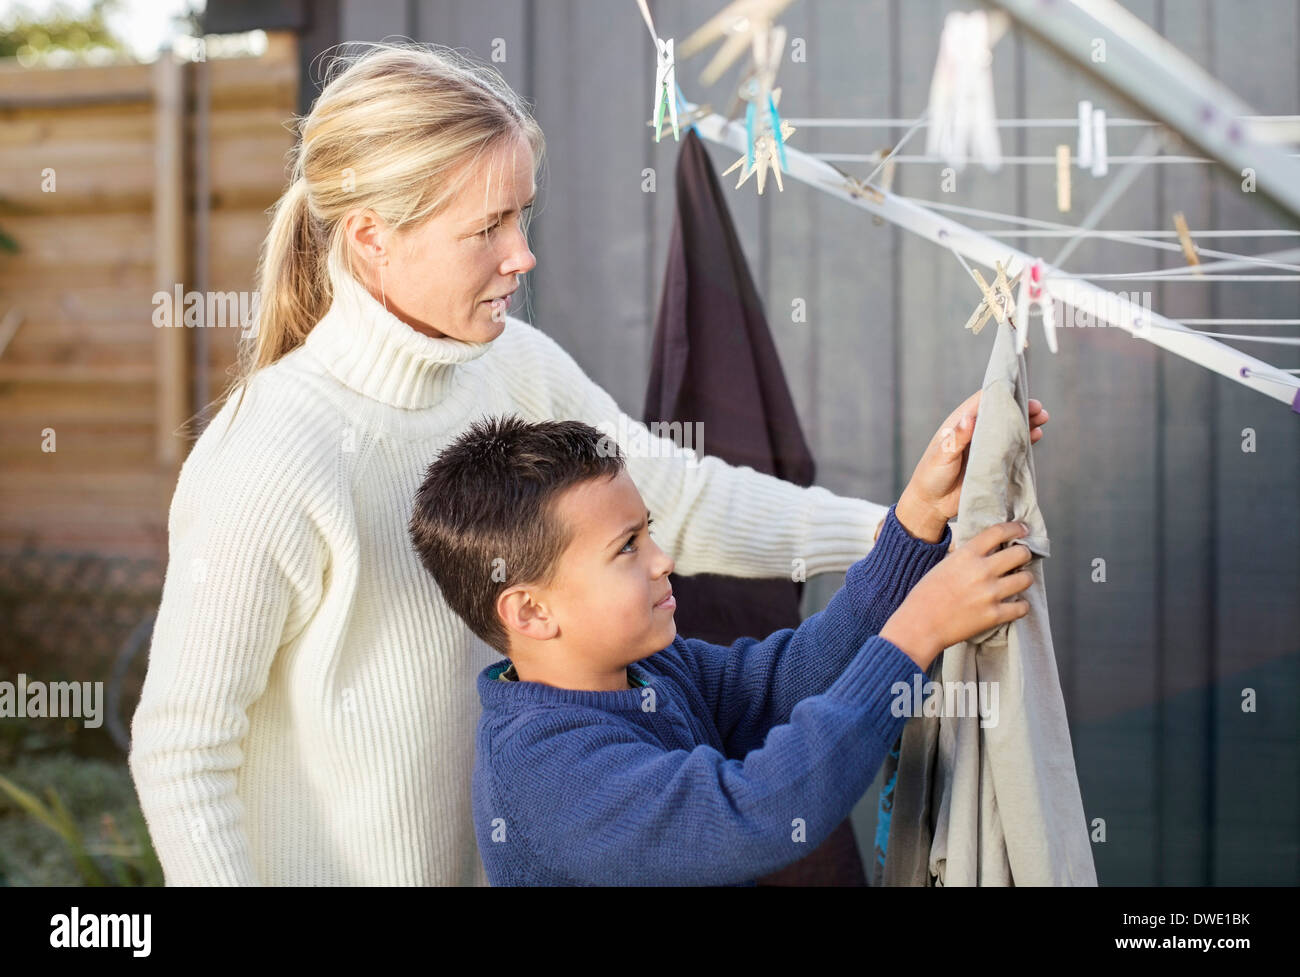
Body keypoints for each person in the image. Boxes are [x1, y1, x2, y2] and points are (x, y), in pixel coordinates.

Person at [128, 41, 1049, 885]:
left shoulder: (513, 365)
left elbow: (678, 495)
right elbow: (182, 750)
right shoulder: (267, 454)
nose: (522, 254)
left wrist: (913, 526)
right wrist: (918, 619)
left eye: (523, 215)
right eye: (486, 227)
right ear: (371, 235)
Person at [407, 414, 1034, 885]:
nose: (664, 560)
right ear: (531, 611)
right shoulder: (545, 772)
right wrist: (915, 633)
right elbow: (756, 812)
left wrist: (918, 516)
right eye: (627, 547)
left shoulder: (650, 672)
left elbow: (790, 681)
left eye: (648, 532)